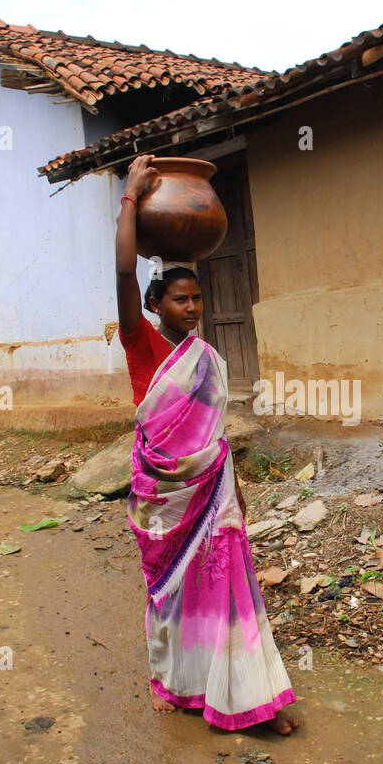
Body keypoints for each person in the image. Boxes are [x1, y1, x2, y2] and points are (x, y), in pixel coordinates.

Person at [116, 153, 298, 734]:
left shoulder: (208, 360)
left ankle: (246, 693)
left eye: (196, 299)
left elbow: (216, 436)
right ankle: (174, 680)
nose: (192, 308)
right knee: (170, 593)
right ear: (154, 305)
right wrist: (129, 196)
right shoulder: (141, 346)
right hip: (163, 496)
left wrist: (236, 493)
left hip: (212, 491)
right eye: (179, 299)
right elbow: (123, 274)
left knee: (225, 587)